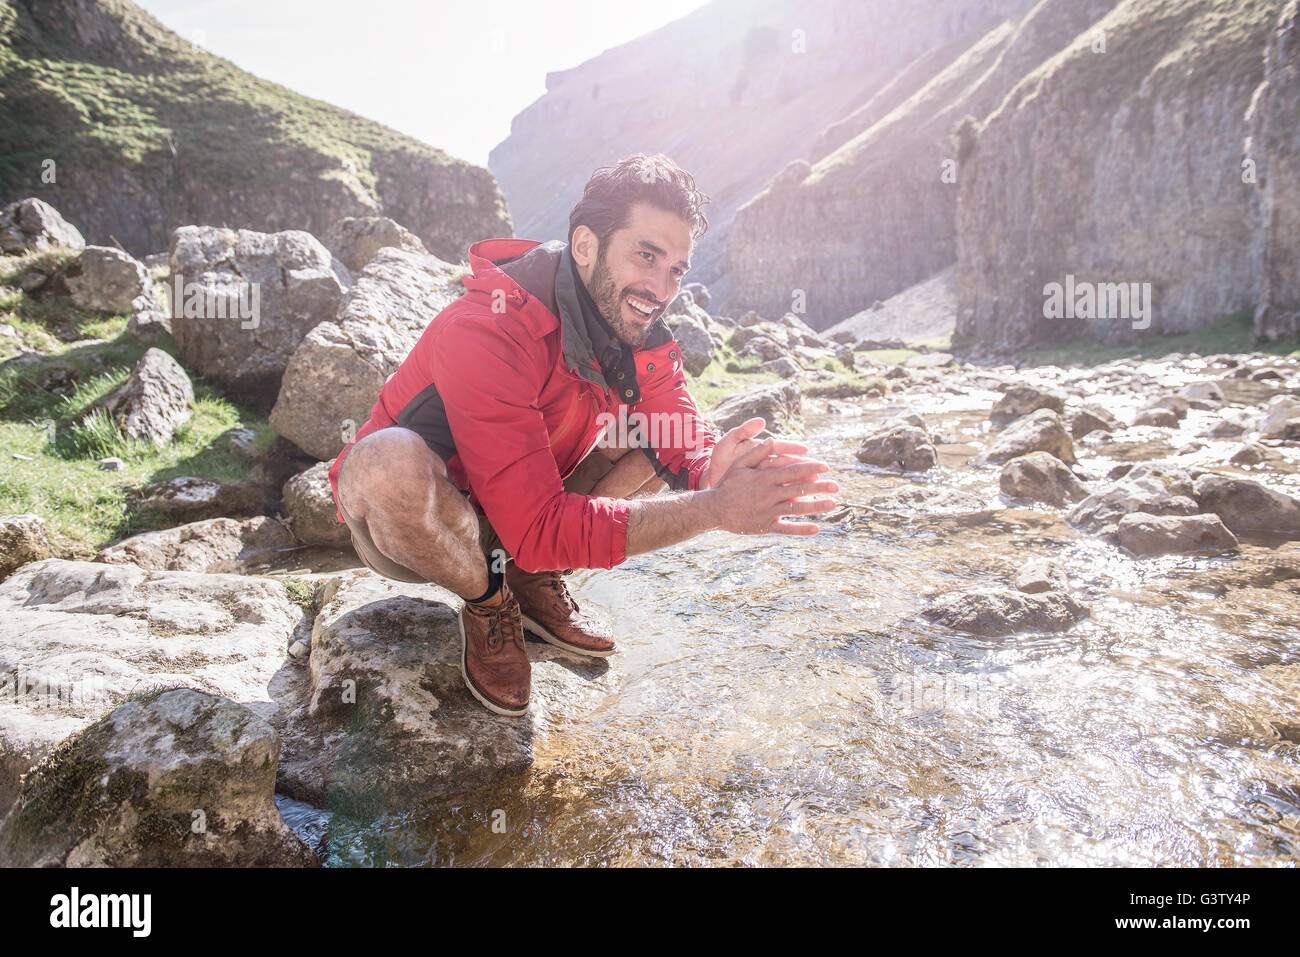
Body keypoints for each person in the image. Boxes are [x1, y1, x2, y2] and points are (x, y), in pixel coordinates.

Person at [328, 153, 837, 716]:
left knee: (649, 433)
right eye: (646, 255)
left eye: (675, 269)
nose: (660, 287)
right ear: (586, 245)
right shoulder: (488, 330)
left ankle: (528, 578)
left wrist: (709, 467)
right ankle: (489, 599)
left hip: (520, 511)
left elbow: (677, 426)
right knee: (385, 460)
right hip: (419, 522)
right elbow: (541, 525)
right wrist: (713, 509)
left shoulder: (634, 327)